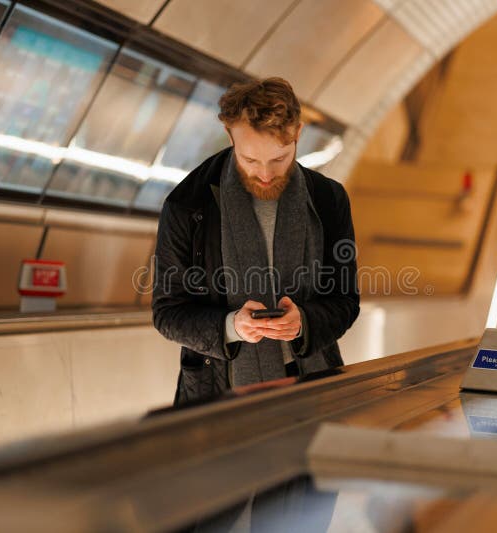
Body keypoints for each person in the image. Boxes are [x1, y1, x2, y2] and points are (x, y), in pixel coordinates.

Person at [152, 76, 360, 406]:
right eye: (250, 160)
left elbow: (345, 300)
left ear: (298, 134)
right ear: (230, 135)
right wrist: (231, 326)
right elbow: (167, 312)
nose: (265, 174)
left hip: (312, 385)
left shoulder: (328, 199)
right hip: (218, 393)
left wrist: (304, 322)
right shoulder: (187, 204)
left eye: (279, 159)